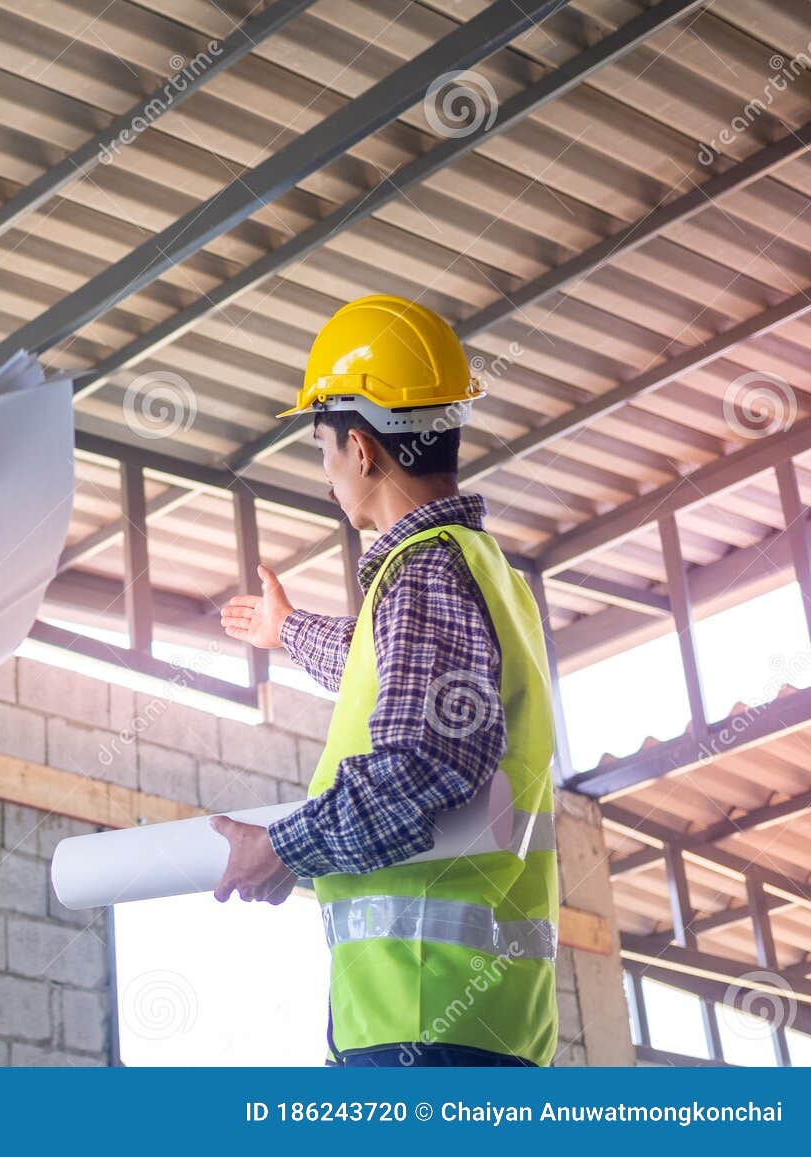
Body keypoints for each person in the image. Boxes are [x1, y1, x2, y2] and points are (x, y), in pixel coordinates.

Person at [214, 294, 559, 1068]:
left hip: (423, 1015)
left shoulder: (427, 570)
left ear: (362, 449)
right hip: (472, 1021)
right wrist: (288, 631)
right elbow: (397, 678)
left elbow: (422, 763)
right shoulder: (482, 573)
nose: (327, 476)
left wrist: (284, 847)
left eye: (322, 451)